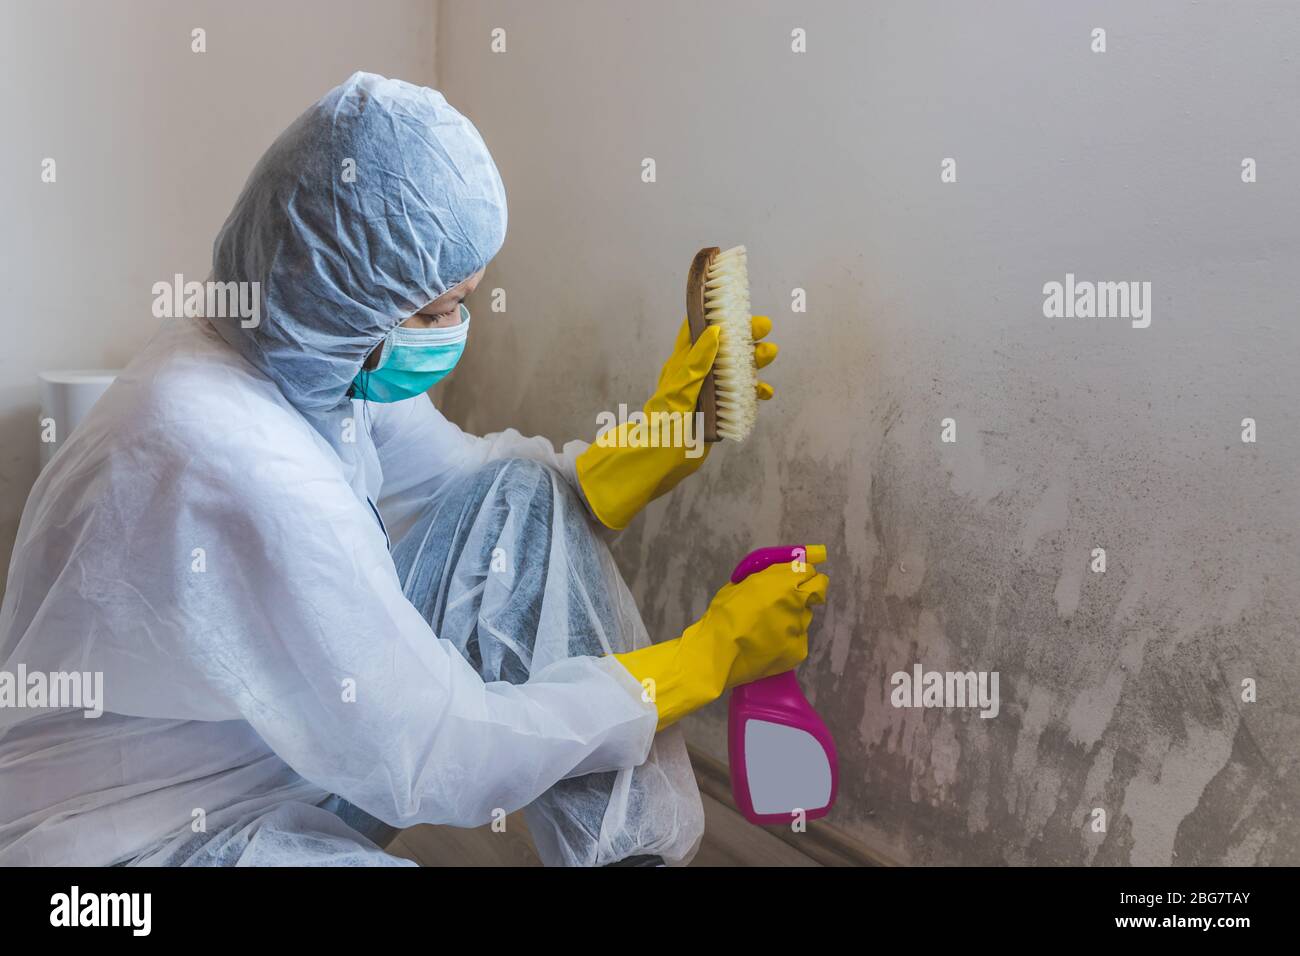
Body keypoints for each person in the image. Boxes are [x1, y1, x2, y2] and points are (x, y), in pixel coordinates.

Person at [0, 73, 827, 866]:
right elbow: (442, 745)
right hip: (130, 843)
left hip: (280, 759)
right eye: (436, 309)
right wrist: (707, 657)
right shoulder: (230, 454)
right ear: (341, 288)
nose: (456, 326)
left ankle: (628, 861)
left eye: (464, 299)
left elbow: (489, 493)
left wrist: (664, 438)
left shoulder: (314, 364)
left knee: (521, 495)